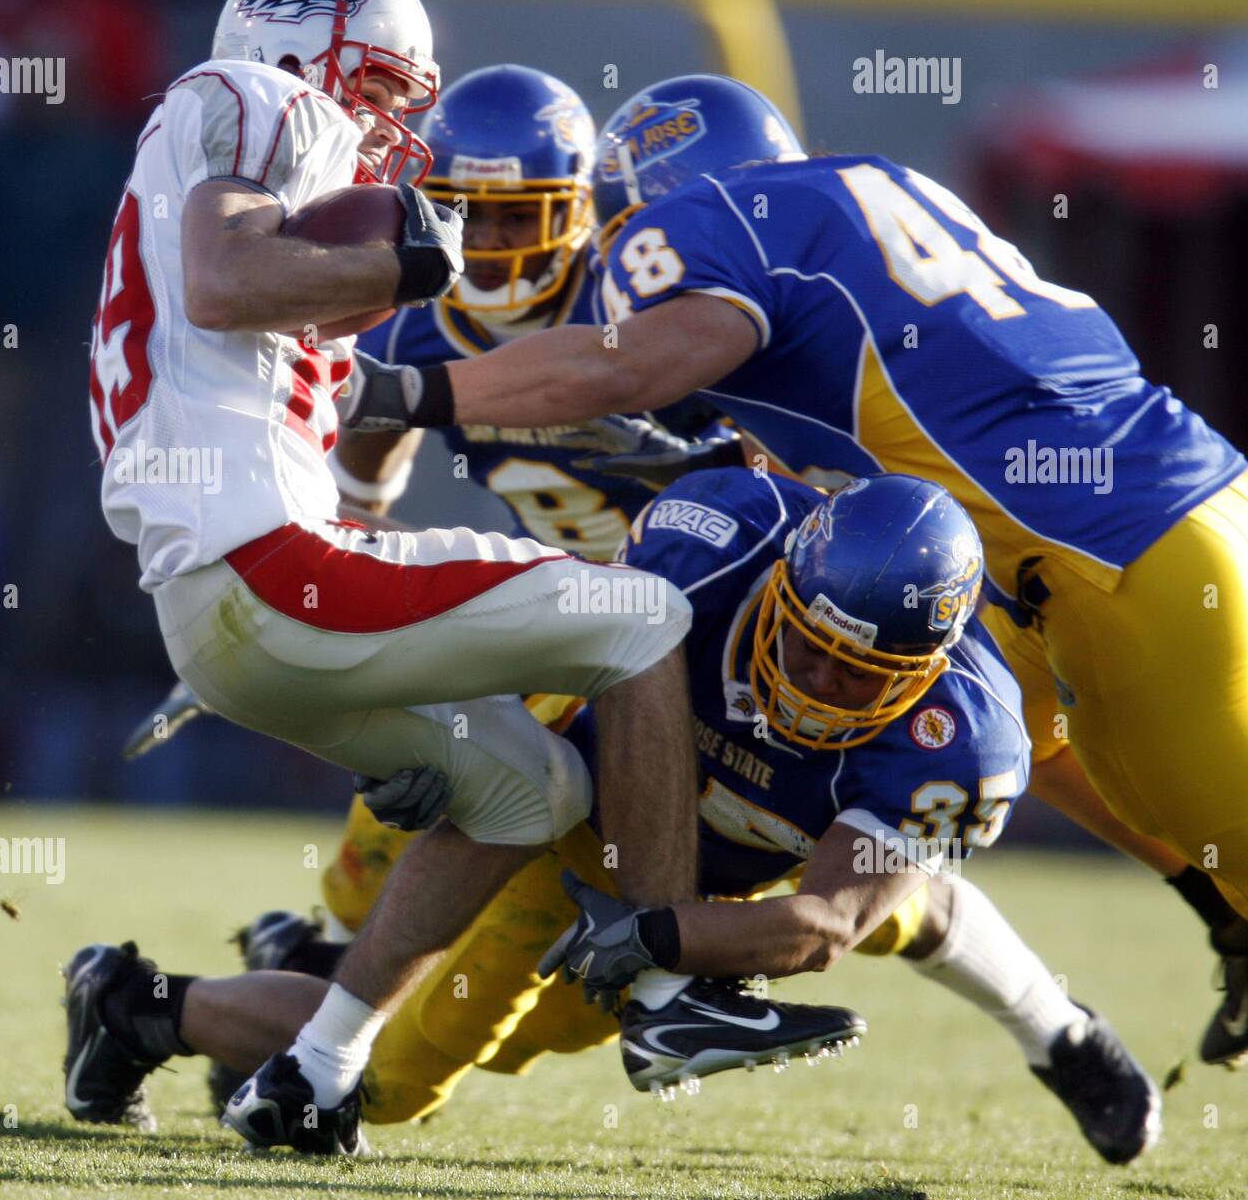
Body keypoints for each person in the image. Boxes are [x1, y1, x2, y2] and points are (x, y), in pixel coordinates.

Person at [343, 73, 1248, 1067]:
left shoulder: (711, 221)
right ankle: (1220, 921)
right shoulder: (848, 200)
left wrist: (392, 390)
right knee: (1039, 739)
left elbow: (622, 366)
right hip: (1124, 525)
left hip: (1112, 546)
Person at [68, 0, 764, 1159]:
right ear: (313, 52)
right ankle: (662, 990)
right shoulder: (254, 95)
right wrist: (409, 264)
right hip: (272, 570)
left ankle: (309, 1073)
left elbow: (276, 358)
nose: (394, 126)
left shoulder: (240, 195)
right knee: (644, 614)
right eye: (386, 85)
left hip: (234, 609)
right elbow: (228, 279)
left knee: (527, 790)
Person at [211, 470, 1161, 1165]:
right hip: (601, 807)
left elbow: (829, 924)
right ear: (784, 585)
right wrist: (423, 737)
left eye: (860, 673)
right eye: (810, 644)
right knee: (407, 1075)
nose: (819, 684)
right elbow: (532, 630)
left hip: (743, 875)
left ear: (923, 674)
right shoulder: (713, 544)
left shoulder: (959, 739)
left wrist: (658, 937)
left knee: (894, 895)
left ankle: (1059, 1034)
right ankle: (199, 994)